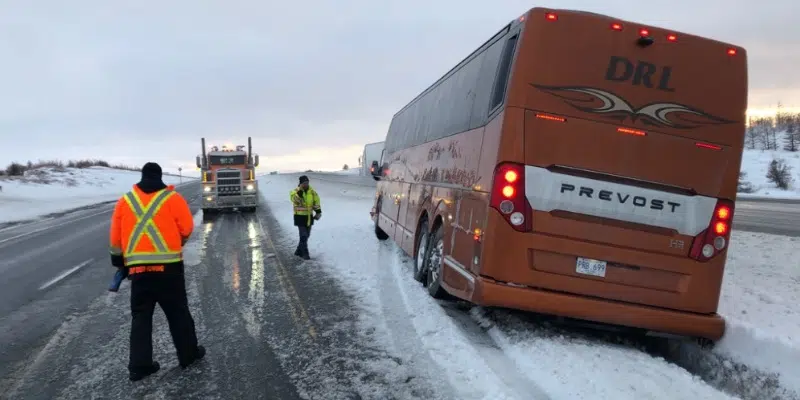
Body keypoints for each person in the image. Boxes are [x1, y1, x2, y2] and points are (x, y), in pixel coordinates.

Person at [109, 162, 206, 382]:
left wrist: (119, 262)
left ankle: (139, 366)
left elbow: (115, 238)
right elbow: (187, 227)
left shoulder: (125, 201)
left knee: (141, 317)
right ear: (160, 177)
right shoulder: (172, 198)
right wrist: (177, 242)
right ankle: (188, 355)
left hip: (139, 271)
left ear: (141, 178)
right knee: (178, 313)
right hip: (168, 269)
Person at [289, 175, 321, 260]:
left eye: (307, 182)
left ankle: (298, 250)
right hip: (299, 217)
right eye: (304, 183)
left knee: (306, 236)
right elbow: (294, 200)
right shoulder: (295, 191)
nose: (306, 184)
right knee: (303, 235)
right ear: (300, 183)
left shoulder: (312, 192)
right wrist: (299, 195)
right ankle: (305, 253)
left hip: (309, 217)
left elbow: (316, 203)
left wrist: (318, 212)